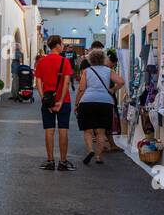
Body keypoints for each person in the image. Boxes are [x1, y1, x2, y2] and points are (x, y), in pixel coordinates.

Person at [75, 48, 123, 165]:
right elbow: (121, 82)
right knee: (100, 132)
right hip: (105, 102)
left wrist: (77, 103)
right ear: (104, 59)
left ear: (90, 60)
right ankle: (98, 157)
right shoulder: (108, 70)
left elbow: (81, 89)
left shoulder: (86, 71)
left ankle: (90, 150)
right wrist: (112, 89)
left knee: (87, 130)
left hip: (87, 101)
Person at [35, 34, 75, 171]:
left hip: (48, 101)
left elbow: (38, 82)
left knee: (49, 130)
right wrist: (61, 101)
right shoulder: (65, 62)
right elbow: (66, 82)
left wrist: (44, 99)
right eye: (62, 43)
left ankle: (50, 161)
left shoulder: (42, 61)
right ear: (57, 46)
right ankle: (63, 162)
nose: (63, 46)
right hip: (64, 101)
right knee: (63, 130)